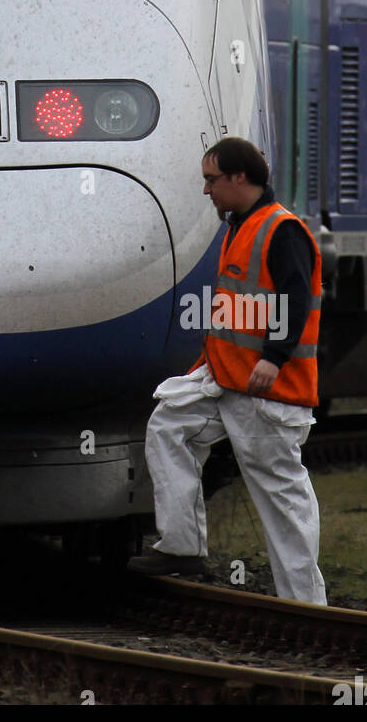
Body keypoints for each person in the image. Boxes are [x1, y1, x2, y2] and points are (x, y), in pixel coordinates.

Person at [127, 137, 327, 605]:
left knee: (281, 500)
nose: (206, 190)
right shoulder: (243, 225)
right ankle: (182, 546)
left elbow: (296, 301)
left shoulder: (281, 230)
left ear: (240, 178)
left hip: (268, 391)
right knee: (168, 426)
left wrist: (273, 358)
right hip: (228, 382)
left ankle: (306, 609)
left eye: (211, 180)